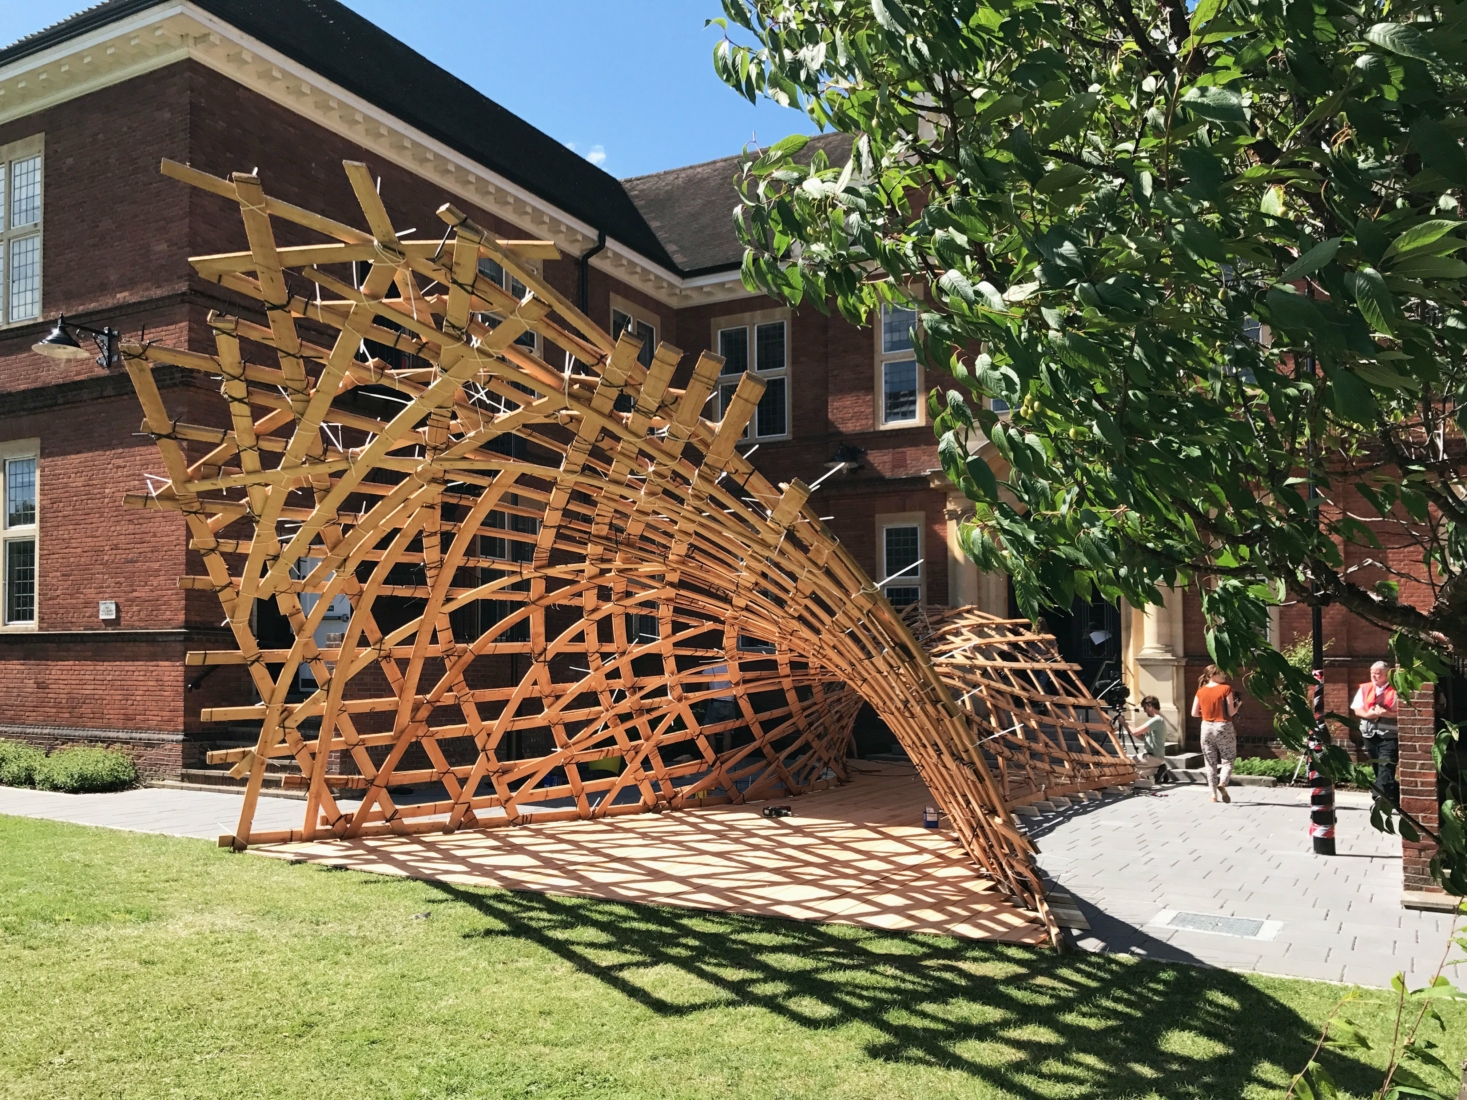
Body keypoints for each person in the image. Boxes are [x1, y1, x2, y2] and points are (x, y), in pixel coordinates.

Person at [1351, 660, 1399, 805]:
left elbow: (1405, 713)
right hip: (1369, 734)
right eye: (1372, 673)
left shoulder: (1397, 689)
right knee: (1378, 767)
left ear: (1387, 674)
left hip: (1390, 735)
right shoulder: (1365, 688)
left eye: (1377, 674)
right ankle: (1393, 796)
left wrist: (1388, 714)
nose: (1373, 676)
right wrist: (1367, 715)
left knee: (1386, 764)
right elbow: (1357, 709)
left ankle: (1377, 795)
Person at [1191, 665, 1240, 803]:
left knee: (1210, 762)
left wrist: (1207, 713)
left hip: (1206, 727)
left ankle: (1213, 795)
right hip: (1223, 726)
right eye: (1221, 673)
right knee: (1228, 759)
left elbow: (1194, 713)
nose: (1224, 676)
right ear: (1212, 675)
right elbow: (1230, 712)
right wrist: (1238, 705)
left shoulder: (1200, 691)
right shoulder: (1226, 689)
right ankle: (1222, 783)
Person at [1126, 695, 1173, 782]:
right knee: (1136, 772)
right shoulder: (1157, 720)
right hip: (1153, 756)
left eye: (1145, 707)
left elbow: (1135, 732)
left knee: (1128, 764)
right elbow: (1142, 737)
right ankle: (1158, 769)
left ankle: (1156, 770)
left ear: (1150, 706)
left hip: (1153, 757)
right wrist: (1126, 726)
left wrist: (1124, 723)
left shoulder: (1157, 720)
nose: (1144, 711)